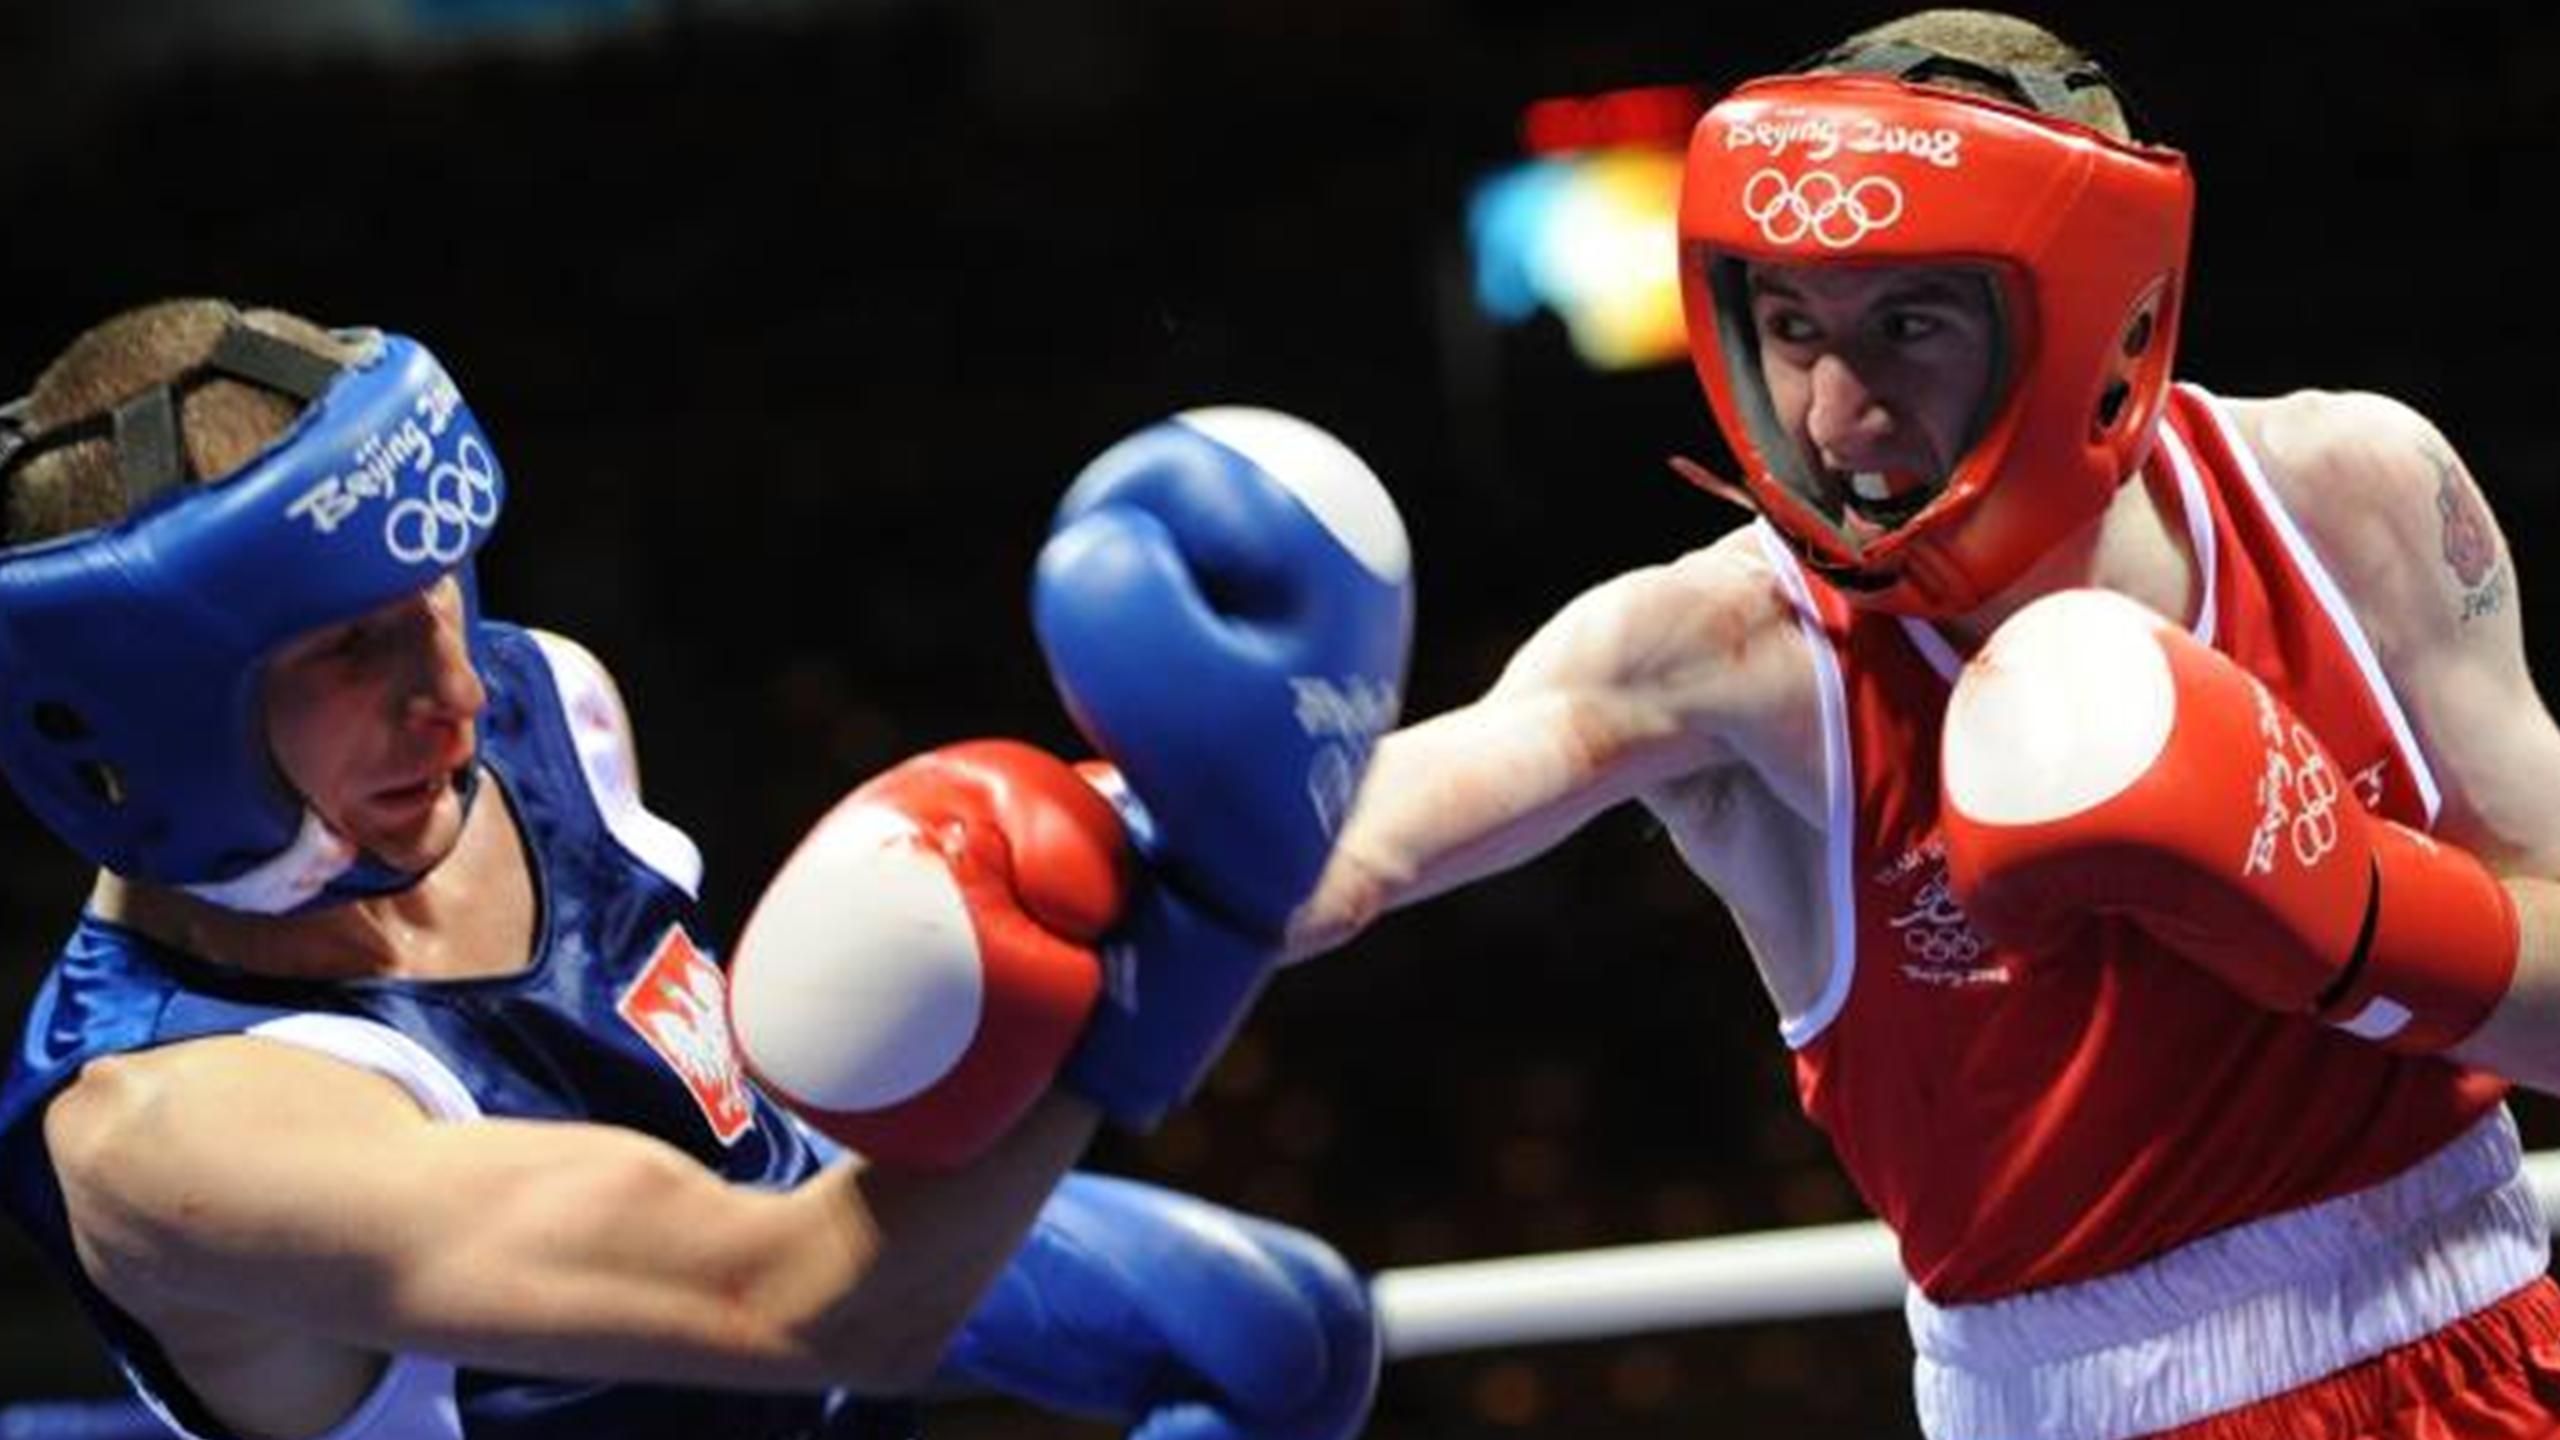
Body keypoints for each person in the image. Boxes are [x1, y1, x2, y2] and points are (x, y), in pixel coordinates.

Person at [1290, 9, 2560, 1438]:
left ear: (2096, 314)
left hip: (2487, 1343)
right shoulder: (1734, 651)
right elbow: (1355, 845)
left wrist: (2366, 922)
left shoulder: (2351, 497)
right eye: (1789, 329)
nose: (1838, 414)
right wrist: (1087, 841)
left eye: (1909, 323)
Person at [0, 300, 1406, 1439]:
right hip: (793, 1310)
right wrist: (1181, 963)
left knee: (1285, 1338)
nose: (455, 696)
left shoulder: (544, 712)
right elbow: (797, 1304)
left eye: (432, 589)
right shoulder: (176, 1137)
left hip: (803, 1327)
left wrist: (1598, 713)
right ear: (157, 726)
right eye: (348, 648)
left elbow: (1243, 842)